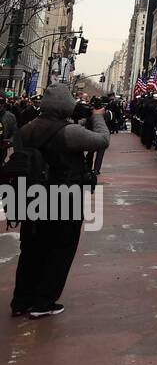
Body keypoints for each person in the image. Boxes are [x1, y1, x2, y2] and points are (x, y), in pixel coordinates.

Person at [9, 85, 110, 318]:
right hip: (63, 197)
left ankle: (21, 300)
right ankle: (43, 302)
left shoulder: (26, 130)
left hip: (30, 196)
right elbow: (103, 140)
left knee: (31, 249)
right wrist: (97, 117)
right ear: (67, 106)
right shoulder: (69, 132)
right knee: (61, 249)